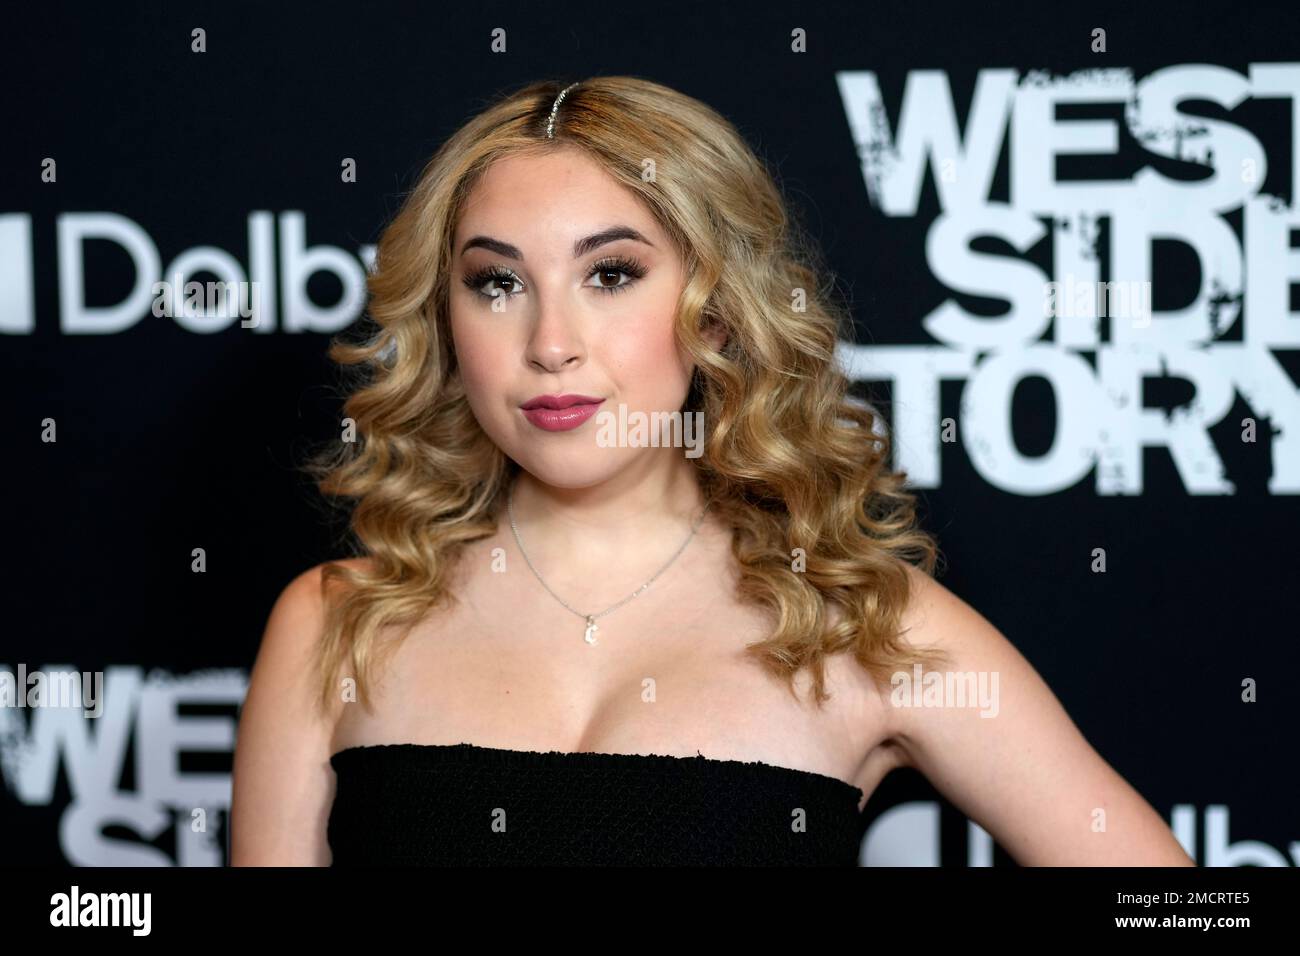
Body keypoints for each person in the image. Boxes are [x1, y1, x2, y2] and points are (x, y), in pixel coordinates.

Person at [230, 76, 1195, 866]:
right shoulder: (337, 623)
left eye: (611, 274)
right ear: (446, 319)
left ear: (717, 311)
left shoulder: (858, 623)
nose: (551, 343)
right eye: (497, 282)